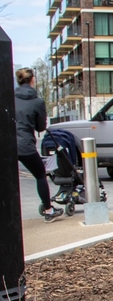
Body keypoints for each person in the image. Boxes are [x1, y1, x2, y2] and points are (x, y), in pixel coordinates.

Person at [15, 68, 62, 222]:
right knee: (40, 174)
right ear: (32, 80)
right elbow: (41, 127)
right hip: (25, 145)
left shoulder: (9, 97)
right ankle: (48, 210)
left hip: (8, 144)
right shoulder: (37, 102)